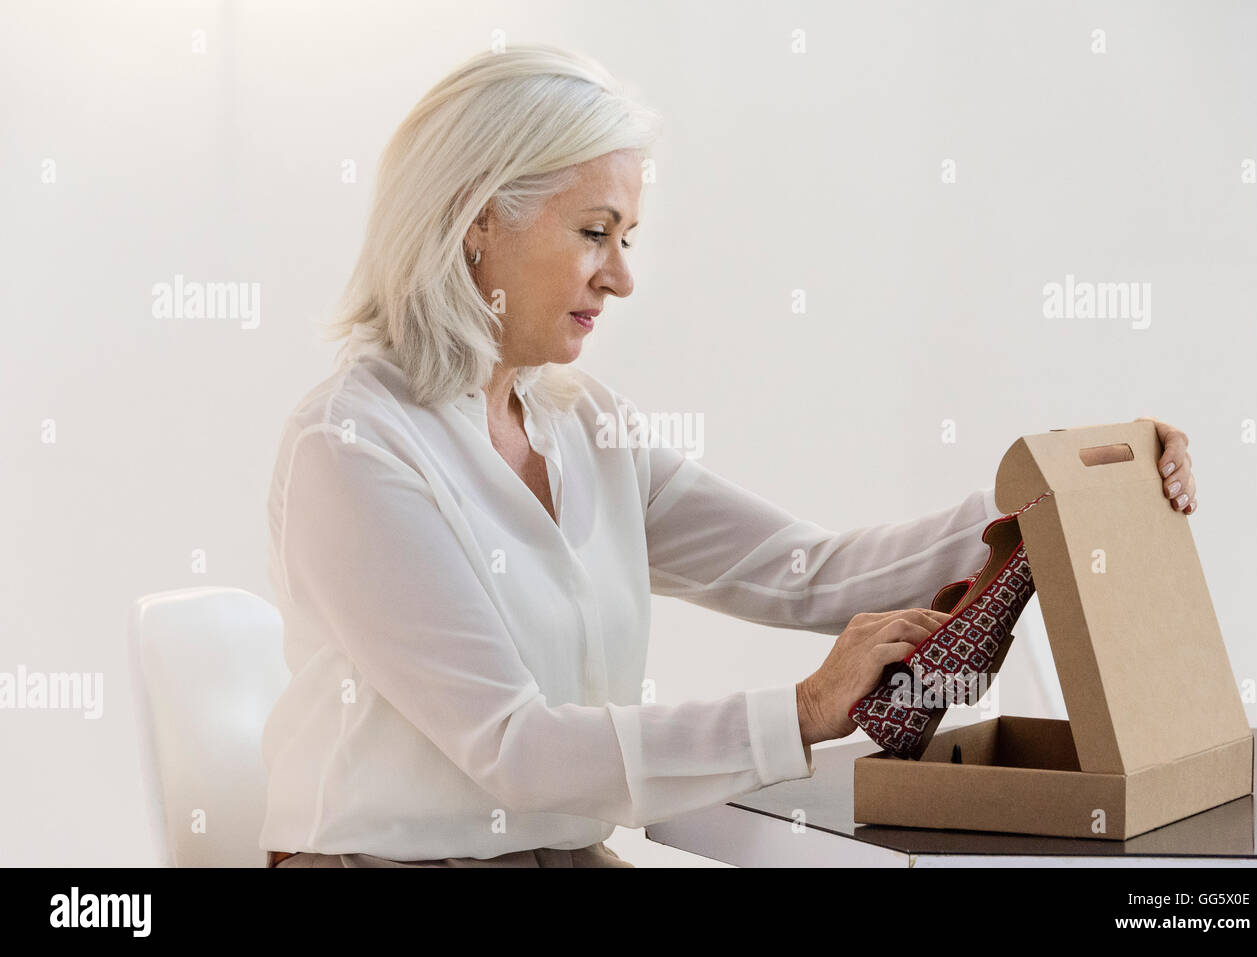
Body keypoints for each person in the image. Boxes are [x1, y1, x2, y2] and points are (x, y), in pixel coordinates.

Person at [259, 43, 1199, 869]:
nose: (622, 276)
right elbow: (514, 746)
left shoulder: (584, 424)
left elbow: (806, 572)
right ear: (477, 219)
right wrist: (799, 711)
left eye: (627, 238)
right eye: (594, 233)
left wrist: (1054, 495)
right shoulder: (355, 445)